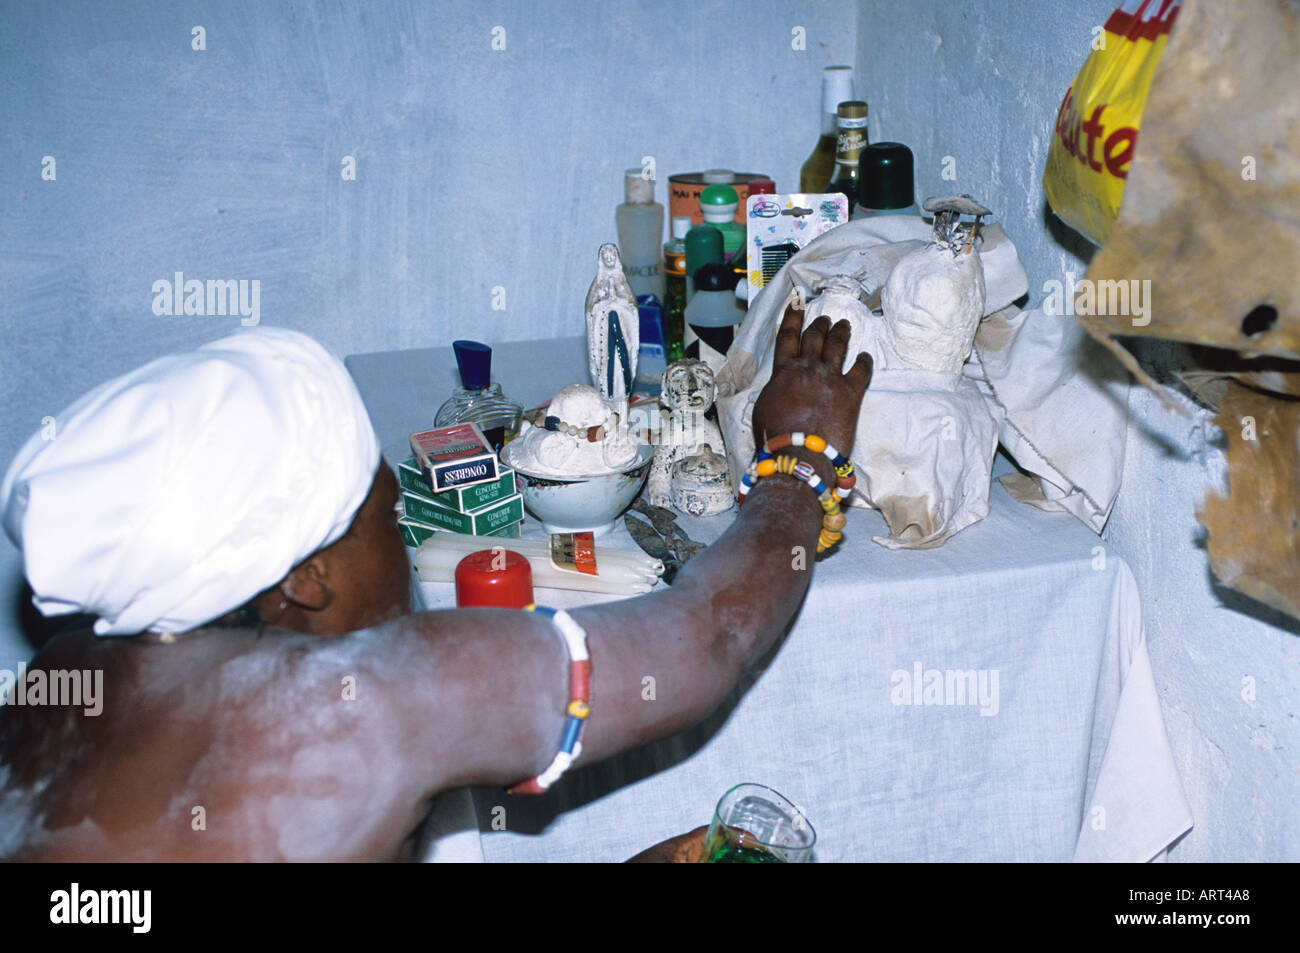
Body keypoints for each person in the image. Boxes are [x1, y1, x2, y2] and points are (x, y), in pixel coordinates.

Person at [0, 306, 872, 861]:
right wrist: (798, 463)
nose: (404, 532)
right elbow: (707, 637)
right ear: (306, 575)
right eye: (385, 513)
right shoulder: (360, 703)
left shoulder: (57, 681)